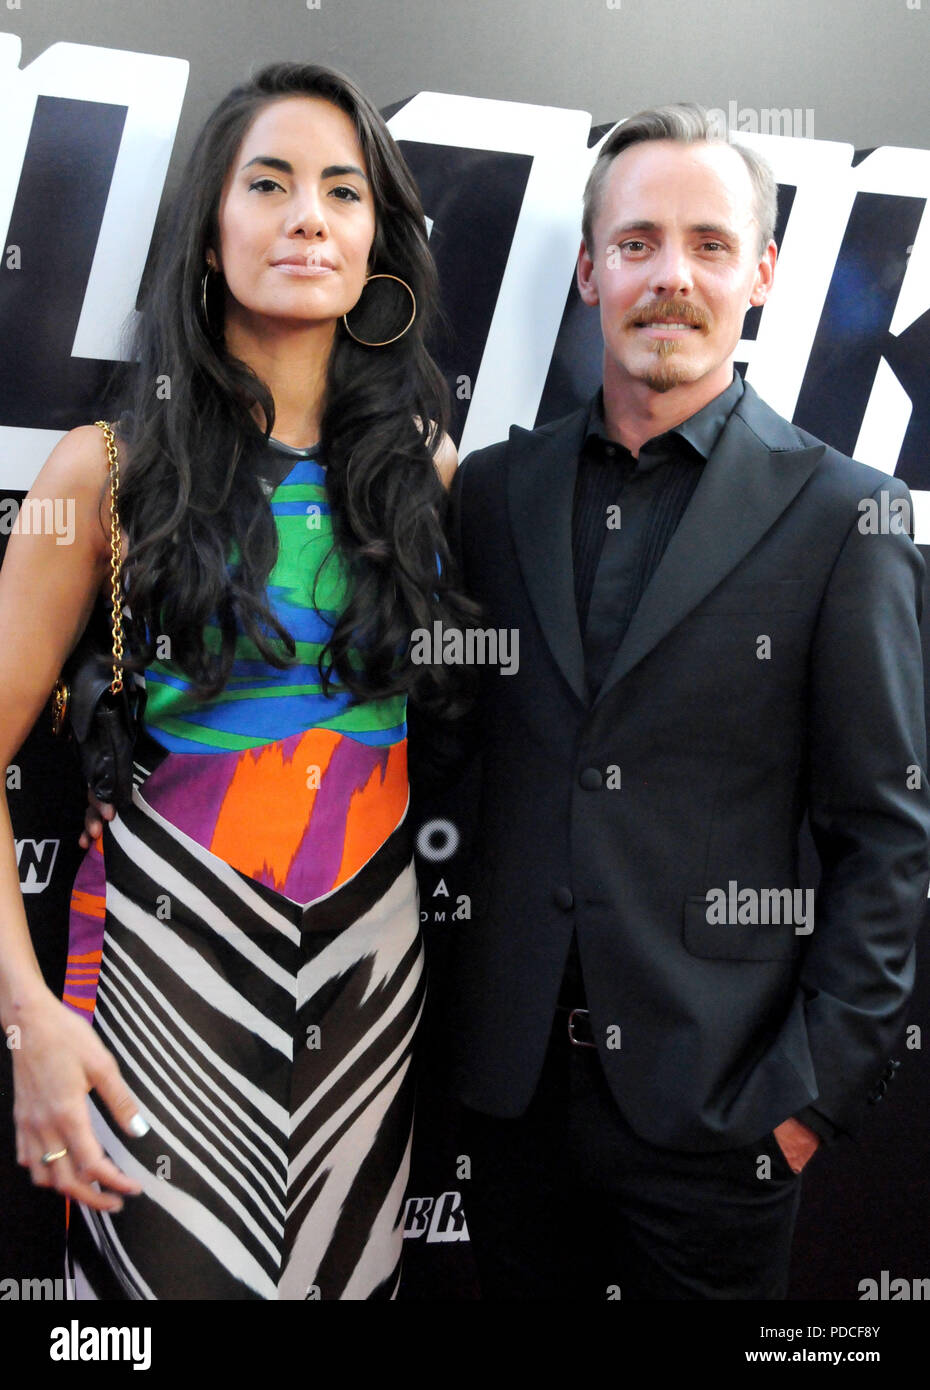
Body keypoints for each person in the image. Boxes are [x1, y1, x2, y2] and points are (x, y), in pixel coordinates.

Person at [0, 61, 475, 1301]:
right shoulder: (100, 473)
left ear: (377, 239)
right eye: (267, 184)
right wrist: (31, 1027)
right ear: (210, 233)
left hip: (368, 1011)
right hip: (160, 1004)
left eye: (340, 190)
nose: (308, 214)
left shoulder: (424, 478)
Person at [438, 104, 930, 1299]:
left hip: (722, 1124)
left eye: (710, 244)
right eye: (640, 241)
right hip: (508, 1109)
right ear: (589, 268)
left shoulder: (845, 518)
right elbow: (442, 759)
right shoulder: (491, 494)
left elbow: (889, 837)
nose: (671, 276)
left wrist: (807, 1102)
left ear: (760, 275)